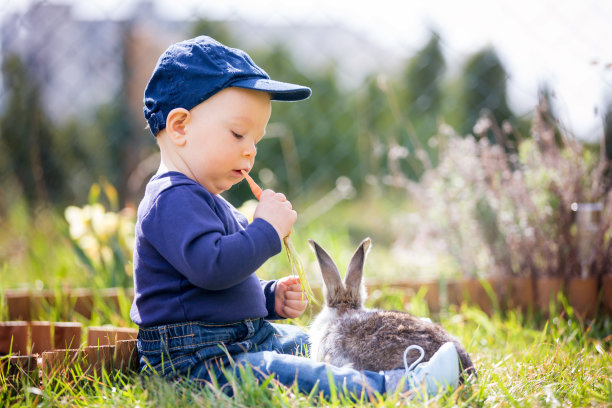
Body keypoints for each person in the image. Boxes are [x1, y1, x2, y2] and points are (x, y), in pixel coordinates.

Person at [130, 35, 461, 400]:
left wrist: (268, 297)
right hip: (198, 363)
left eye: (256, 140)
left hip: (239, 340)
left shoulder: (205, 200)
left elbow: (215, 286)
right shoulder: (170, 199)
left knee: (316, 343)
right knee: (291, 372)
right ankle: (397, 387)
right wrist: (266, 230)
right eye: (239, 133)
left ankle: (384, 362)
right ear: (180, 126)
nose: (250, 151)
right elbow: (213, 267)